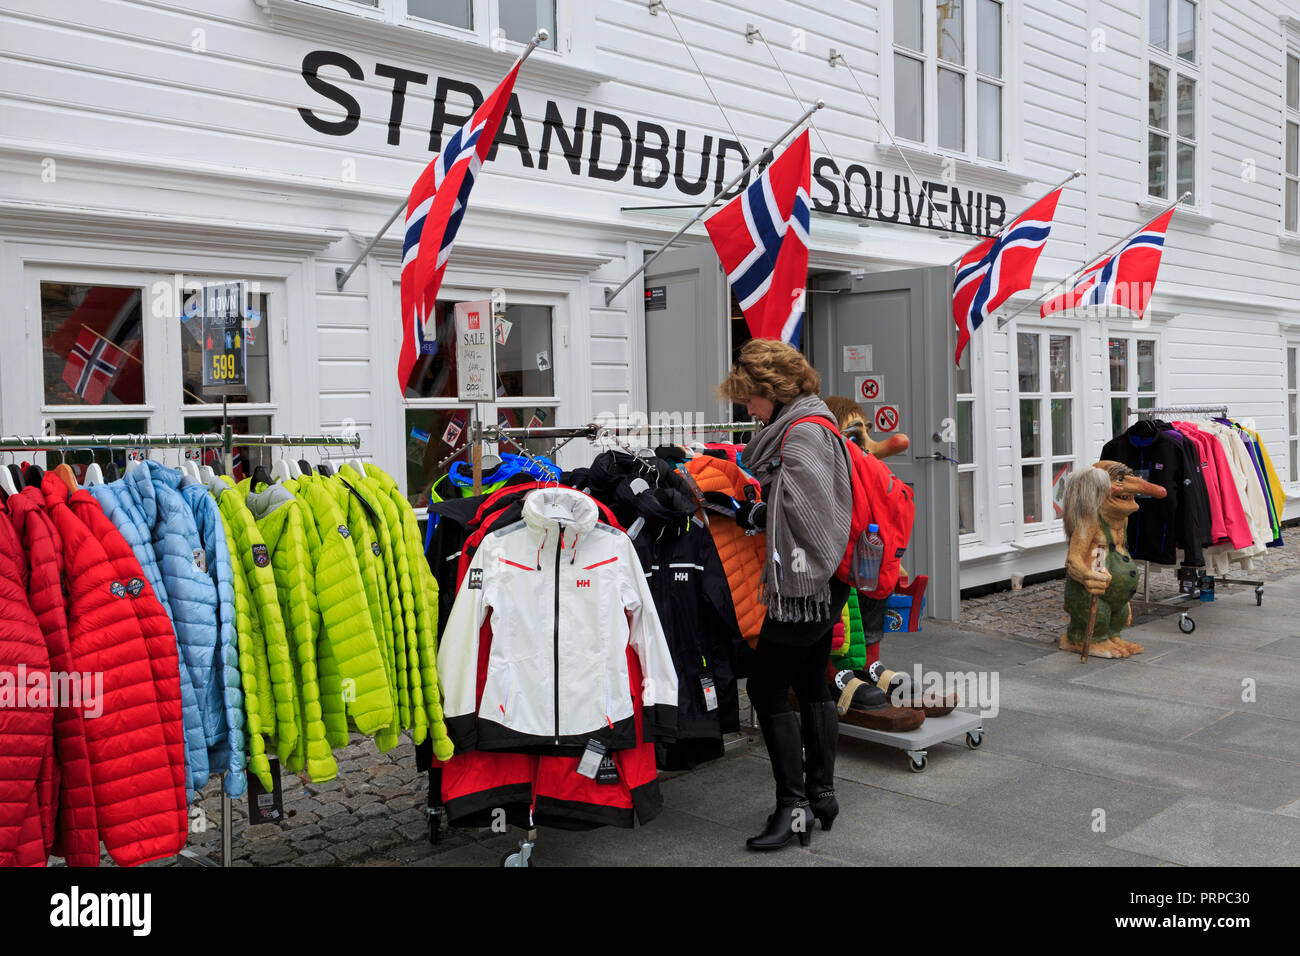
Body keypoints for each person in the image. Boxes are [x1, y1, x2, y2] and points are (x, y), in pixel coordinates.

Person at [717, 339, 853, 851]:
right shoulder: (813, 422)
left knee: (766, 687)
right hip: (825, 583)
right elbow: (801, 505)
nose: (746, 407)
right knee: (811, 678)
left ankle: (793, 805)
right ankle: (821, 794)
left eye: (749, 397)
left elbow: (815, 521)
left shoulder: (800, 436)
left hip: (806, 586)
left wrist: (755, 516)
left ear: (771, 391)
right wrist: (756, 512)